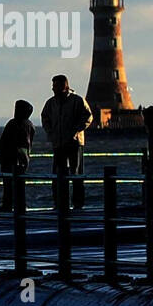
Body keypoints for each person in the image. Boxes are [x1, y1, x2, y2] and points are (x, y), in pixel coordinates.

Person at [41, 74, 92, 210]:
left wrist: (76, 131)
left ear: (64, 86)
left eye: (56, 85)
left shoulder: (77, 100)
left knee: (76, 174)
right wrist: (50, 132)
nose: (53, 88)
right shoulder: (51, 103)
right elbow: (45, 117)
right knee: (58, 174)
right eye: (53, 86)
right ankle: (59, 203)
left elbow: (88, 116)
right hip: (58, 143)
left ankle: (77, 204)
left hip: (75, 143)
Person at [0, 99, 35, 211]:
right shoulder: (28, 124)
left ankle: (9, 205)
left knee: (10, 184)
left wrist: (0, 156)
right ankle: (17, 205)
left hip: (13, 158)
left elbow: (6, 142)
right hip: (20, 158)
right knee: (16, 184)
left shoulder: (16, 124)